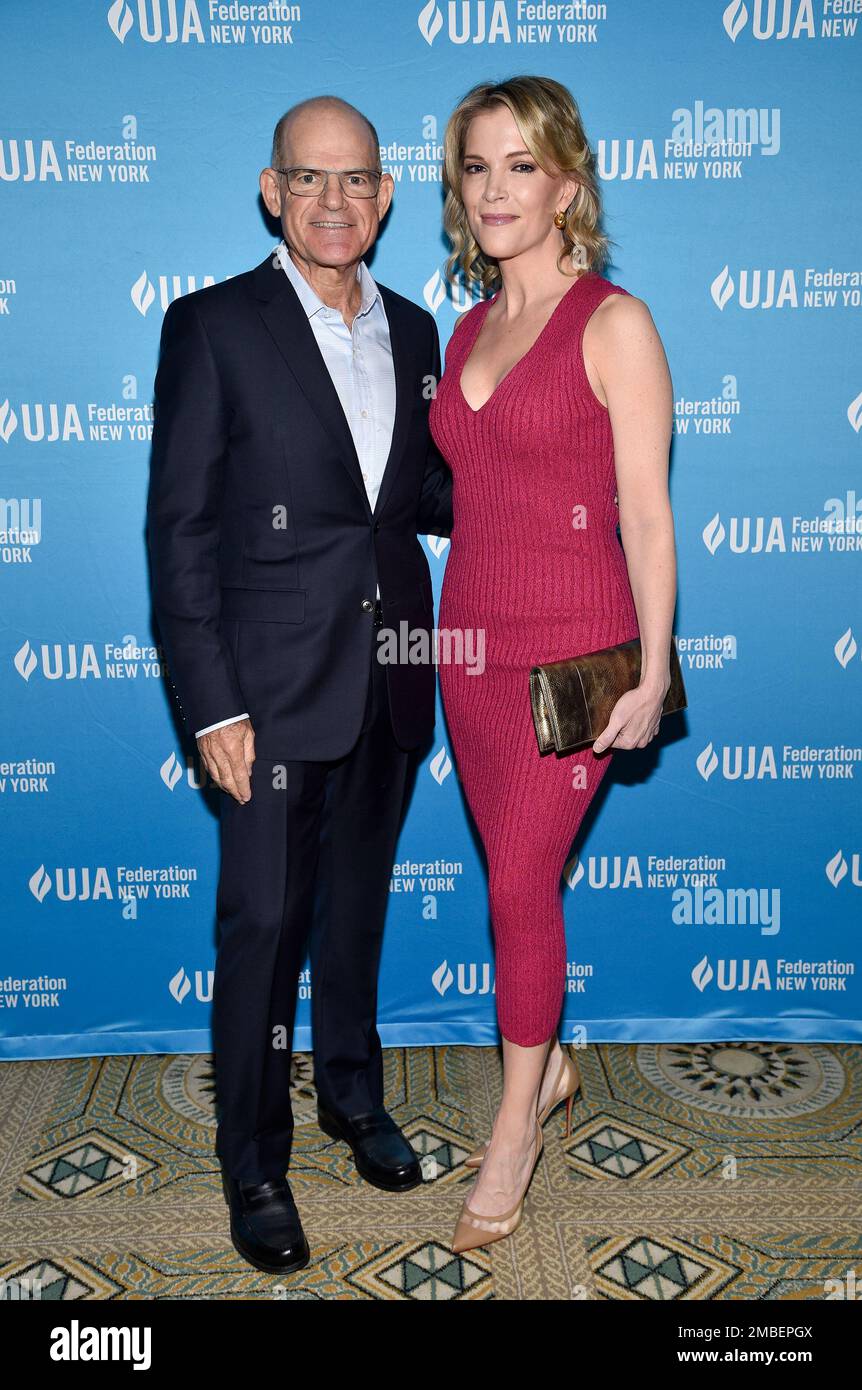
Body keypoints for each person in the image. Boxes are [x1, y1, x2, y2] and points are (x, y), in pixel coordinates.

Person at [146, 95, 452, 1274]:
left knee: (356, 911)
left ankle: (353, 1097)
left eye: (358, 180)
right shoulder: (213, 326)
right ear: (273, 191)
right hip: (264, 694)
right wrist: (212, 706)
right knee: (266, 926)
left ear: (384, 197)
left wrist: (533, 474)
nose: (335, 201)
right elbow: (178, 532)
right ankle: (255, 1160)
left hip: (389, 674)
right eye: (309, 179)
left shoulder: (420, 332)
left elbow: (417, 502)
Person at [427, 76, 676, 1253]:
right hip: (464, 649)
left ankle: (516, 1125)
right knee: (508, 881)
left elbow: (644, 511)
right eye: (476, 167)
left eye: (520, 165)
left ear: (566, 184)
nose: (494, 189)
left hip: (571, 657)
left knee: (520, 886)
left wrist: (653, 667)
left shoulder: (613, 321)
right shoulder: (468, 329)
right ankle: (555, 1061)